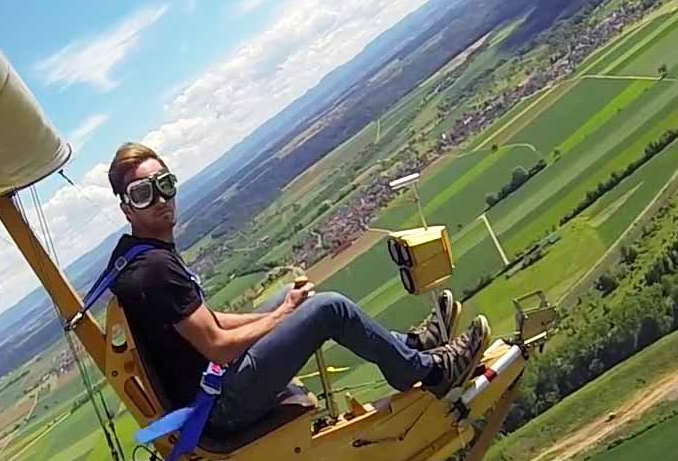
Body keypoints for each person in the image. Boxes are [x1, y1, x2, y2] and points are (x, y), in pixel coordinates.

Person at [103, 141, 490, 438]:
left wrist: (280, 310)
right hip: (221, 405)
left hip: (209, 388)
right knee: (328, 308)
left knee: (294, 296)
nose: (160, 200)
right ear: (127, 209)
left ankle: (409, 345)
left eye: (165, 185)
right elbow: (217, 345)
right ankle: (429, 371)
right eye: (142, 194)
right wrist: (282, 315)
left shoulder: (139, 258)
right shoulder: (153, 268)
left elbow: (207, 320)